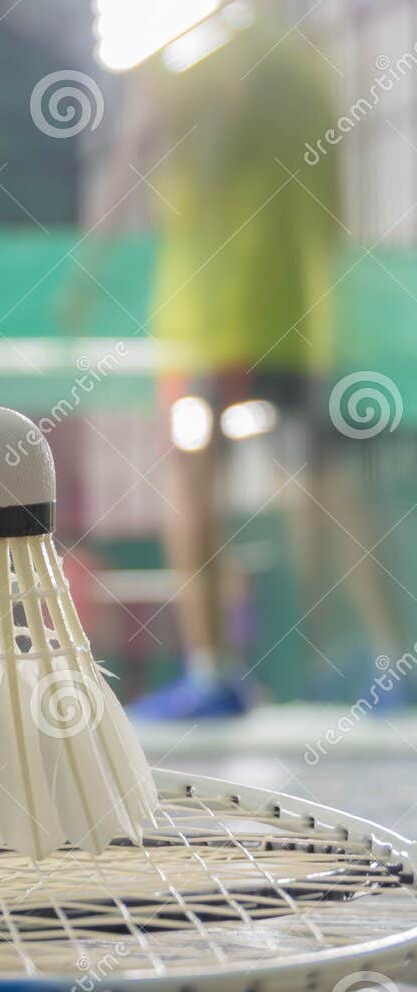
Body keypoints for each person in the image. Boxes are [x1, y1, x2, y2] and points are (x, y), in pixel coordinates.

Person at [80, 5, 404, 719]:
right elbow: (334, 210)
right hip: (300, 318)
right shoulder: (312, 73)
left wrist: (88, 274)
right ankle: (394, 662)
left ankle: (214, 671)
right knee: (332, 482)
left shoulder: (202, 67)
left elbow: (150, 151)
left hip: (214, 316)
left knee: (193, 479)